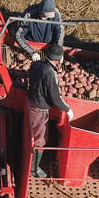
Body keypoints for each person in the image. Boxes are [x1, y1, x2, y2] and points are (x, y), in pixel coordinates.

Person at [26, 44, 72, 178]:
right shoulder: (49, 73)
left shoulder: (37, 64)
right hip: (39, 109)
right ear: (59, 59)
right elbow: (56, 98)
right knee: (40, 140)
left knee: (33, 133)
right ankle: (33, 170)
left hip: (31, 102)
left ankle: (32, 165)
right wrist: (67, 109)